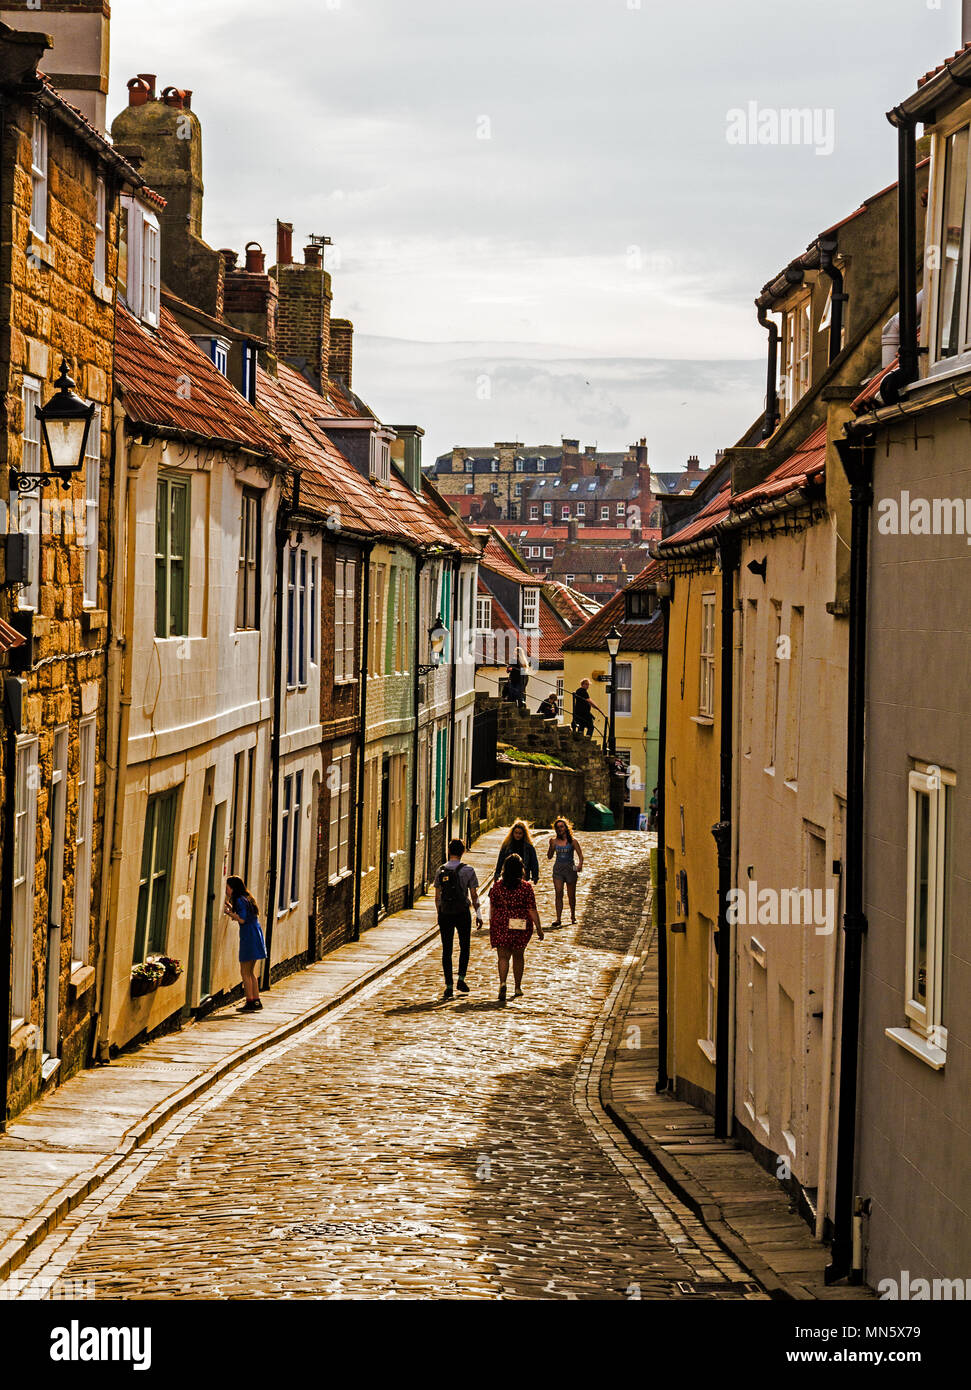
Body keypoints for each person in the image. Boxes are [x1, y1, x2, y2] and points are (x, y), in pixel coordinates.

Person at [488, 852, 543, 1002]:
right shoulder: (526, 887)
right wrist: (539, 927)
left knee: (503, 956)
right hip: (520, 922)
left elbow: (492, 907)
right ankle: (517, 987)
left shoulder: (497, 886)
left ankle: (502, 982)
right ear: (521, 869)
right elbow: (531, 909)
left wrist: (492, 923)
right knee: (518, 956)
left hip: (502, 922)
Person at [434, 838, 481, 1000]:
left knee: (447, 950)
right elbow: (474, 895)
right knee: (464, 946)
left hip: (445, 913)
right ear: (462, 852)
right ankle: (461, 979)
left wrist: (439, 913)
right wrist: (479, 914)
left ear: (449, 851)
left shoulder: (440, 870)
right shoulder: (468, 870)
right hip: (462, 912)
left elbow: (437, 897)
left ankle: (448, 986)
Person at [224, 876, 267, 1012]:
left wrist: (230, 913)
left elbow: (242, 919)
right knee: (251, 972)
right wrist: (231, 908)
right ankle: (256, 1001)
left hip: (249, 936)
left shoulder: (239, 900)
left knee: (244, 972)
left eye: (227, 888)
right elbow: (246, 915)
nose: (226, 891)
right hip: (255, 933)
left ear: (233, 888)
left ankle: (249, 1001)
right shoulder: (246, 898)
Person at [547, 817, 584, 926]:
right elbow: (549, 857)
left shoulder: (572, 841)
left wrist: (579, 865)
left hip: (570, 869)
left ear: (566, 827)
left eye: (562, 826)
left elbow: (580, 855)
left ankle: (573, 916)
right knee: (558, 893)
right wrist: (551, 847)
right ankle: (558, 918)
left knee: (571, 895)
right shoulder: (553, 841)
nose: (560, 829)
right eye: (557, 827)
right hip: (558, 869)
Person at [494, 819, 540, 885]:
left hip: (523, 874)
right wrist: (497, 873)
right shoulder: (507, 845)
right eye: (516, 833)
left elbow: (534, 862)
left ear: (524, 834)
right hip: (508, 874)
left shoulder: (528, 847)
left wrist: (535, 876)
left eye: (520, 833)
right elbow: (500, 859)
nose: (518, 835)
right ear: (512, 833)